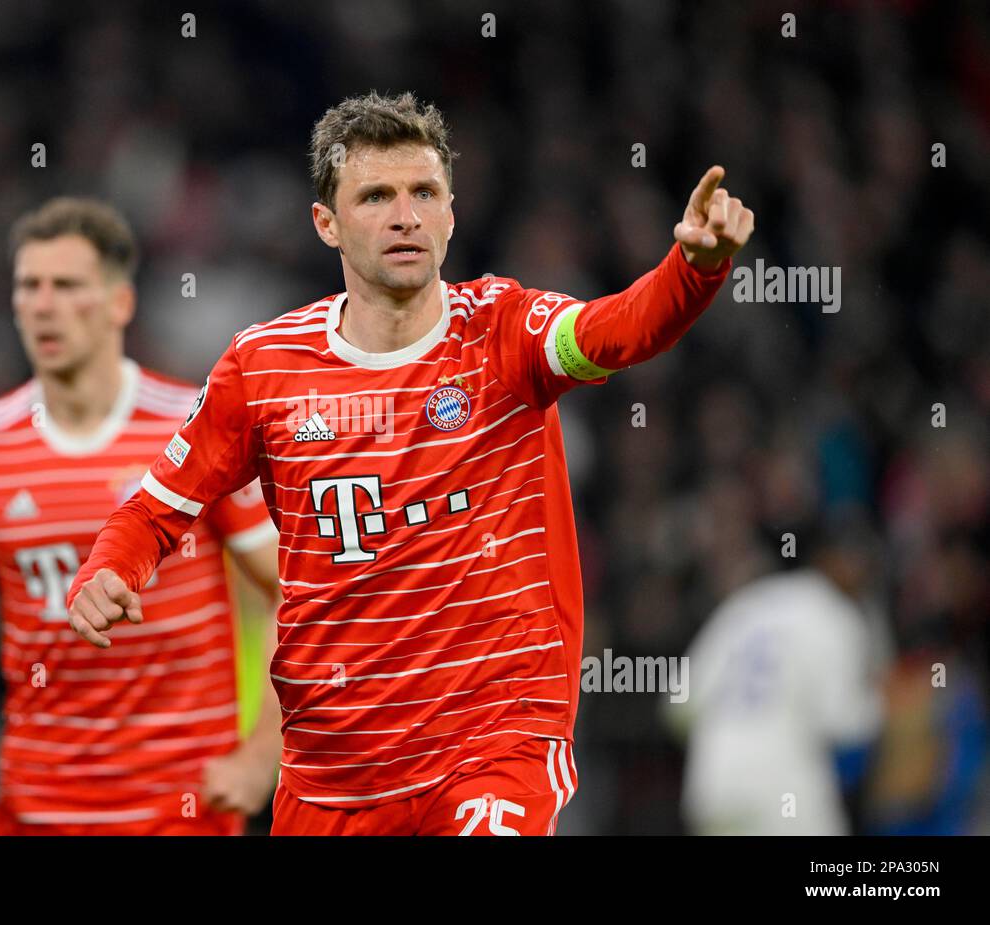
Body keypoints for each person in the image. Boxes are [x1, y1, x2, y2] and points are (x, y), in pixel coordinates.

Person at [67, 92, 754, 835]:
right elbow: (157, 507)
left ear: (451, 214)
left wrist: (693, 267)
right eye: (376, 197)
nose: (406, 216)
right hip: (333, 772)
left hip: (492, 743)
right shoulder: (264, 367)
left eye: (424, 193)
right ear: (326, 223)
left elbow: (619, 328)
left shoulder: (504, 332)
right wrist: (108, 569)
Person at [0, 197, 282, 835]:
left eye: (67, 286)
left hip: (181, 811)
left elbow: (295, 588)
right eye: (28, 286)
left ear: (120, 303)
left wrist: (262, 754)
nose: (43, 304)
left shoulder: (194, 430)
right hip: (36, 810)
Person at [667, 515, 890, 835]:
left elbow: (678, 702)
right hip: (782, 785)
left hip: (713, 784)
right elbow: (844, 721)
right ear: (825, 558)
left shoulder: (753, 601)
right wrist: (884, 703)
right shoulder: (836, 614)